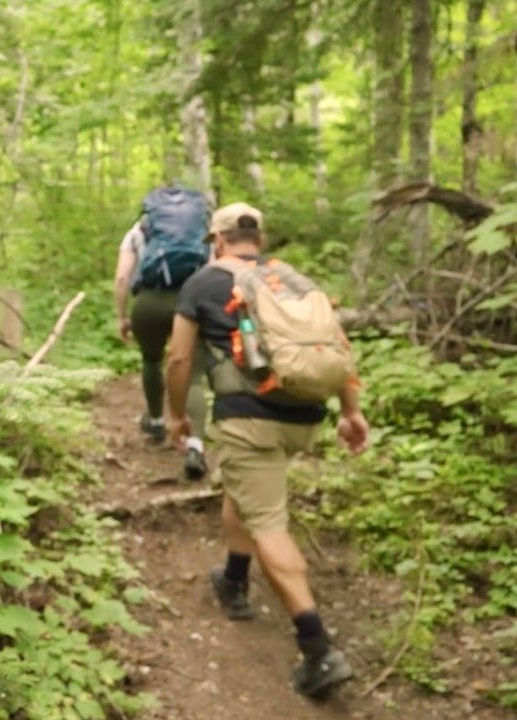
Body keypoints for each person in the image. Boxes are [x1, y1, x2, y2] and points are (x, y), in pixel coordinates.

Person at [164, 202, 371, 699]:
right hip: (305, 415)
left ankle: (318, 650)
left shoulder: (202, 282)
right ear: (259, 238)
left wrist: (176, 415)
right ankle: (234, 579)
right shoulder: (293, 279)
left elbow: (179, 358)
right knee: (246, 487)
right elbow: (338, 347)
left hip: (249, 418)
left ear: (217, 240)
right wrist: (351, 412)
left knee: (269, 523)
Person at [113, 186, 210, 479]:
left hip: (150, 302)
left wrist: (123, 315)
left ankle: (155, 421)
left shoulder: (139, 230)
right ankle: (195, 445)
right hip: (193, 299)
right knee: (193, 373)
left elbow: (122, 278)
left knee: (151, 359)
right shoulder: (203, 229)